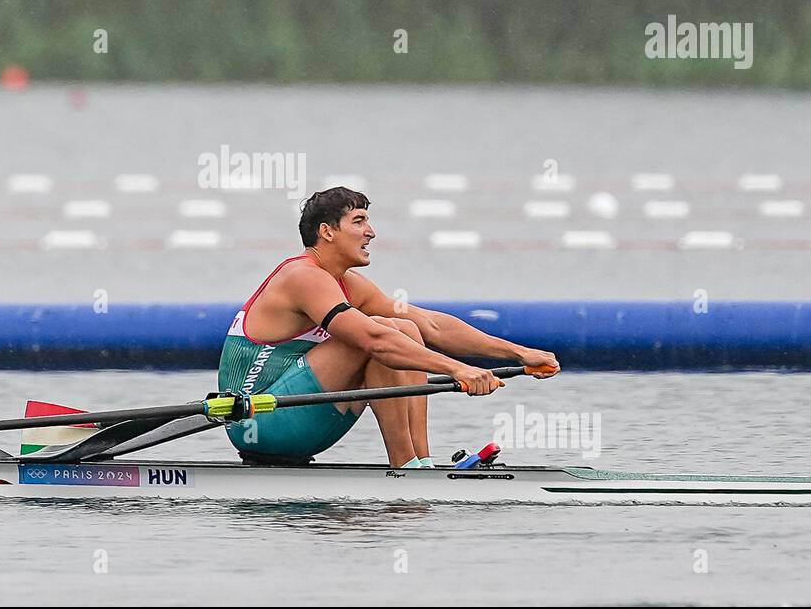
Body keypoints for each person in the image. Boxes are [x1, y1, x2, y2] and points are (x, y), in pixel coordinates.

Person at [218, 187, 559, 467]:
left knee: (406, 329)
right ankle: (406, 465)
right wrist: (460, 370)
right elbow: (375, 340)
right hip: (257, 423)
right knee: (382, 334)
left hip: (302, 419)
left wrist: (520, 353)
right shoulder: (303, 276)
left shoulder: (349, 283)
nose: (372, 232)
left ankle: (420, 463)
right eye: (359, 221)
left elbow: (433, 325)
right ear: (327, 232)